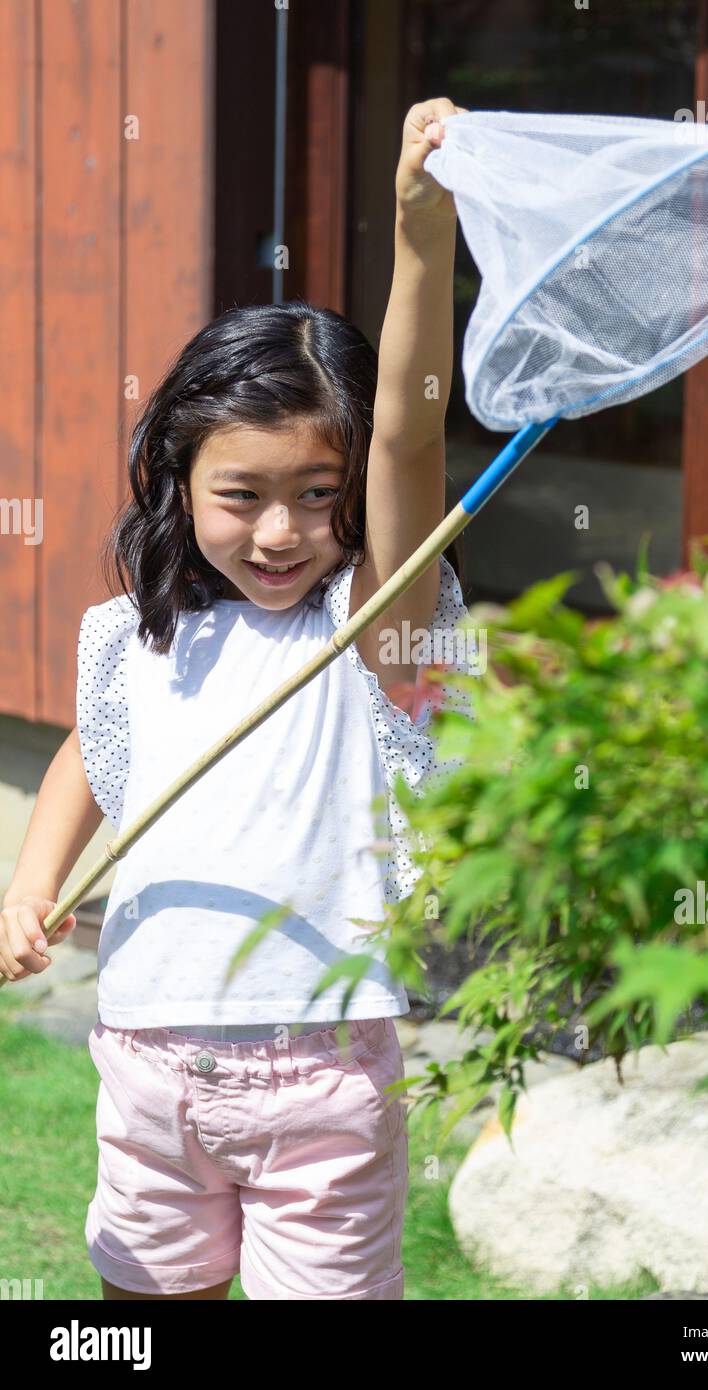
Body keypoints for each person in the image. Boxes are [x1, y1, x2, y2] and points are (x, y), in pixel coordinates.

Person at [0, 97, 476, 1301]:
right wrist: (32, 882)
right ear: (174, 475)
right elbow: (87, 764)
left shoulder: (376, 626)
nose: (283, 531)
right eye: (243, 493)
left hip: (322, 1079)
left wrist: (420, 236)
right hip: (149, 1067)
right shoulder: (136, 636)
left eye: (321, 493)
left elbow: (412, 438)